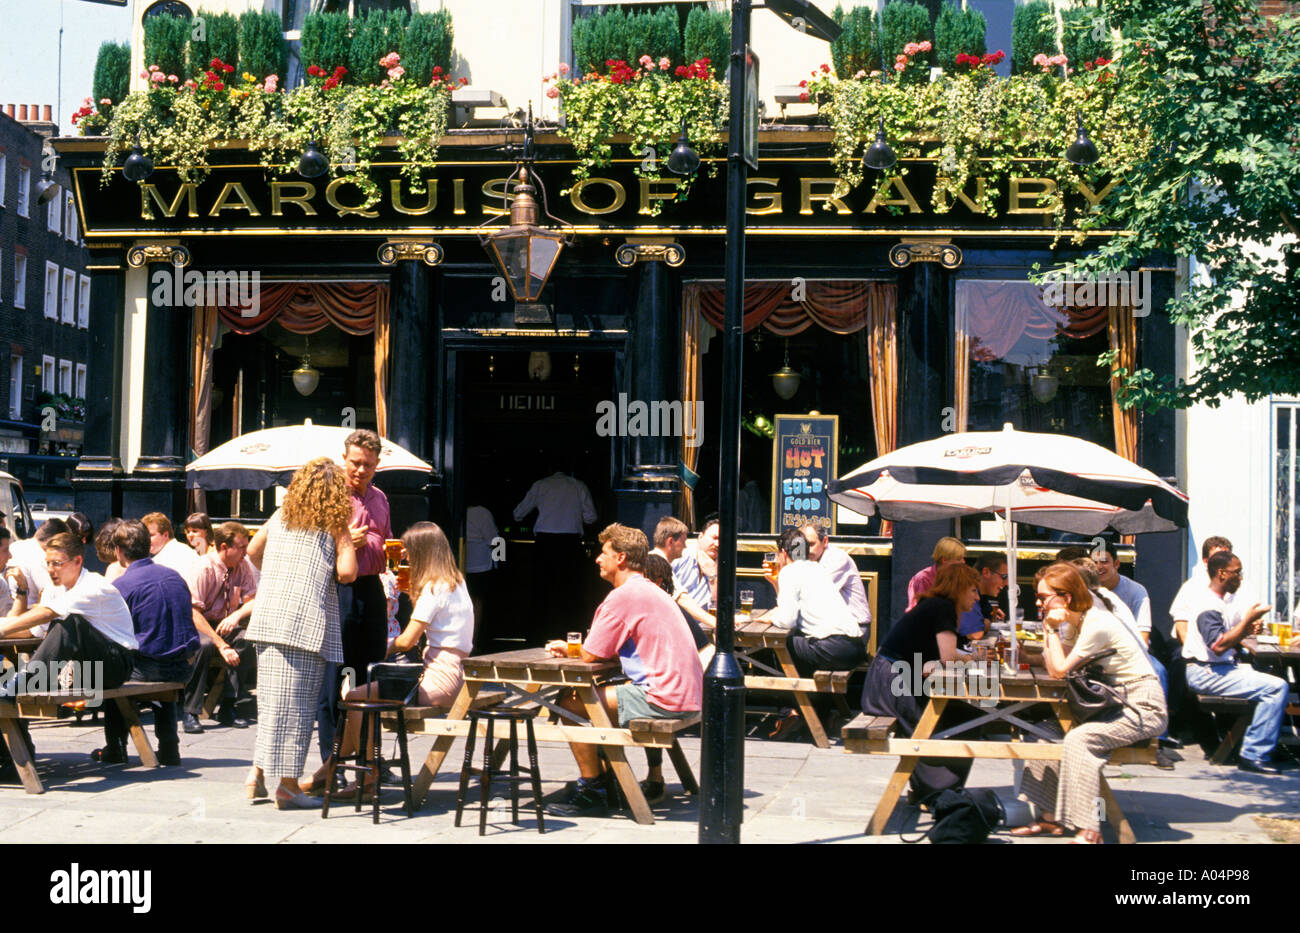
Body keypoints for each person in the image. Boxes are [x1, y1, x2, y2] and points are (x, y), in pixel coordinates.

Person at [303, 522, 473, 798]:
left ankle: (367, 777)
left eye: (408, 551)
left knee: (356, 697)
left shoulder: (433, 588)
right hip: (456, 677)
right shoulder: (457, 582)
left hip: (437, 681)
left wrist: (375, 650)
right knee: (358, 698)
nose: (403, 557)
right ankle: (329, 771)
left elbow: (407, 641)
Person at [545, 524, 702, 817]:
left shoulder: (622, 596)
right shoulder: (651, 591)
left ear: (620, 558)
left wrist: (568, 649)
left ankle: (592, 788)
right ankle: (607, 780)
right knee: (587, 699)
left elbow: (592, 654)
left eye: (603, 553)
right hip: (686, 694)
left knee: (569, 704)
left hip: (663, 697)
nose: (597, 559)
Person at [1015, 562, 1167, 843]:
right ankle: (1049, 819)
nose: (1038, 602)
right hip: (1111, 703)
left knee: (1080, 740)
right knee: (1043, 733)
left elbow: (1059, 670)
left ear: (1067, 597)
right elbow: (1055, 665)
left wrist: (1049, 630)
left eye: (1043, 597)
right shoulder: (1078, 621)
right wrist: (1047, 637)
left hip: (1140, 706)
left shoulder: (1097, 623)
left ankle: (1090, 829)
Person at [244, 457, 357, 810]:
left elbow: (252, 551)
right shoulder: (334, 524)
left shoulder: (280, 516)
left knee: (271, 702)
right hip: (304, 621)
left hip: (268, 616)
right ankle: (289, 788)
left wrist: (278, 572)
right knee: (296, 707)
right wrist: (350, 542)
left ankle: (257, 775)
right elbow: (348, 572)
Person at [861, 562, 981, 802]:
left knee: (964, 716)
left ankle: (934, 789)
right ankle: (938, 792)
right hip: (893, 685)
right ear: (960, 588)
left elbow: (931, 659)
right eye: (973, 590)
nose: (976, 597)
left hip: (887, 681)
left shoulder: (934, 605)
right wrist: (975, 658)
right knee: (964, 718)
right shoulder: (944, 607)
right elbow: (948, 657)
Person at [315, 429, 393, 763]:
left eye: (368, 465)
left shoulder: (381, 499)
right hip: (339, 588)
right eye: (356, 463)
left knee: (371, 674)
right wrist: (345, 541)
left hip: (372, 588)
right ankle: (332, 762)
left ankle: (368, 757)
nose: (361, 470)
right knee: (335, 675)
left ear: (377, 466)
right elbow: (313, 547)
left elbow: (387, 541)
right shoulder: (330, 498)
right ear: (344, 459)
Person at [99, 520, 200, 767]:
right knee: (157, 660)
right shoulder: (174, 577)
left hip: (148, 669)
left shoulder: (122, 585)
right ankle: (169, 747)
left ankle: (115, 747)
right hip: (184, 666)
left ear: (119, 551)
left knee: (106, 672)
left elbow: (109, 633)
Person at [1180, 551, 1290, 774]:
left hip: (1215, 668)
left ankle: (1262, 743)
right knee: (1277, 688)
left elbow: (1225, 639)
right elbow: (1218, 645)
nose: (1240, 578)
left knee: (1271, 679)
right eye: (1237, 573)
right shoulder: (1208, 604)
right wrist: (1247, 621)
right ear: (1221, 573)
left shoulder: (1218, 601)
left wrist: (1246, 629)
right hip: (1206, 671)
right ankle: (1254, 753)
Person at [0, 532, 137, 702]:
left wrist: (3, 629)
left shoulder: (94, 585)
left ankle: (22, 682)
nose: (50, 570)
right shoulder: (53, 589)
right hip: (85, 667)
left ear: (77, 561)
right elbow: (35, 631)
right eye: (48, 563)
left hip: (117, 665)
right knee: (62, 624)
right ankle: (27, 684)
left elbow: (47, 613)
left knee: (70, 622)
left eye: (57, 564)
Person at [182, 521, 258, 733]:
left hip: (224, 620)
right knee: (203, 646)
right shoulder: (203, 567)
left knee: (247, 639)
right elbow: (193, 611)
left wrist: (236, 616)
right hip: (198, 623)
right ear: (225, 547)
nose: (246, 551)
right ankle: (190, 710)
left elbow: (252, 599)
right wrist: (221, 645)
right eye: (242, 547)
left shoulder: (242, 565)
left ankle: (228, 704)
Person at [513, 461, 597, 636]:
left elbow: (518, 514)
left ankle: (538, 635)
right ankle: (571, 633)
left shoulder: (541, 485)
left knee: (541, 591)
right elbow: (591, 517)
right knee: (571, 592)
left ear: (549, 468)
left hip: (545, 544)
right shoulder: (578, 486)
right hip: (570, 545)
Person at [799, 522, 871, 643]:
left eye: (811, 544)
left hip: (854, 630)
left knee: (789, 645)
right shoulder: (809, 560)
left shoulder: (836, 558)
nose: (807, 550)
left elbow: (812, 594)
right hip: (832, 628)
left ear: (825, 541)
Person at [654, 516, 714, 637]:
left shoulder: (656, 560)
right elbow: (682, 599)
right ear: (670, 541)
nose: (685, 546)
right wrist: (717, 623)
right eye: (683, 541)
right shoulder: (657, 563)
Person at [6, 517, 68, 604]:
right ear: (53, 541)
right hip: (29, 611)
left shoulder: (15, 546)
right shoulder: (42, 557)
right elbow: (55, 595)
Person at [463, 500, 498, 652]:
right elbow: (494, 539)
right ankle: (473, 642)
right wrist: (502, 560)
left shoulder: (457, 509)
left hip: (461, 563)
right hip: (480, 565)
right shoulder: (482, 512)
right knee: (477, 602)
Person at [672, 517, 719, 618]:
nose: (717, 544)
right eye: (714, 538)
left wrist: (712, 576)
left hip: (705, 625)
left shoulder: (722, 565)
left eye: (722, 541)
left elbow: (718, 605)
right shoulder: (680, 557)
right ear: (700, 537)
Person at [905, 536, 967, 611]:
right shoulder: (923, 579)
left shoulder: (955, 578)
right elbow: (921, 613)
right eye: (959, 559)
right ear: (944, 560)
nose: (963, 562)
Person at [957, 553, 1007, 641]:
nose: (1007, 583)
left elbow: (990, 616)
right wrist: (985, 623)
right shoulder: (967, 589)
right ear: (986, 572)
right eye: (1004, 577)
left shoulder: (982, 595)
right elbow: (975, 634)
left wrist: (985, 621)